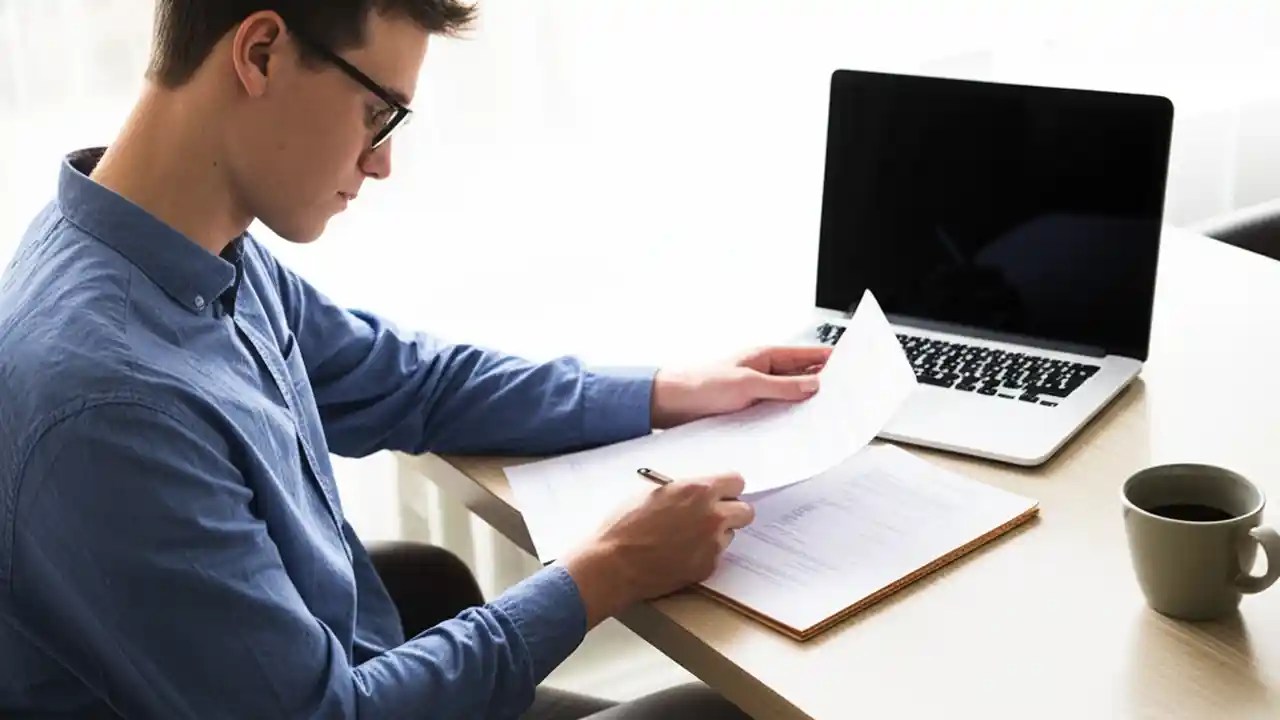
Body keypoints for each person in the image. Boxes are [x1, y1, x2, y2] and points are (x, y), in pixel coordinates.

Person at [0, 2, 831, 717]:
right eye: (378, 113)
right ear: (260, 53)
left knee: (429, 582)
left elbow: (411, 381)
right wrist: (610, 570)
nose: (382, 162)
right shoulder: (111, 409)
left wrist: (667, 393)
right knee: (715, 718)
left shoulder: (180, 247)